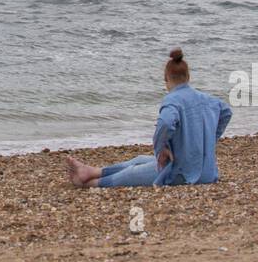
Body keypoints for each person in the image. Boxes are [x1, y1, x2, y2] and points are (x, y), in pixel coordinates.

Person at [64, 48, 231, 188]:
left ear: (166, 79)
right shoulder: (208, 99)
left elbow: (165, 122)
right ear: (188, 77)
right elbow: (226, 112)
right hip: (207, 171)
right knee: (139, 160)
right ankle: (92, 171)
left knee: (132, 172)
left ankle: (89, 183)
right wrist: (208, 139)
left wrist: (161, 148)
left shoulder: (173, 100)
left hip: (184, 174)